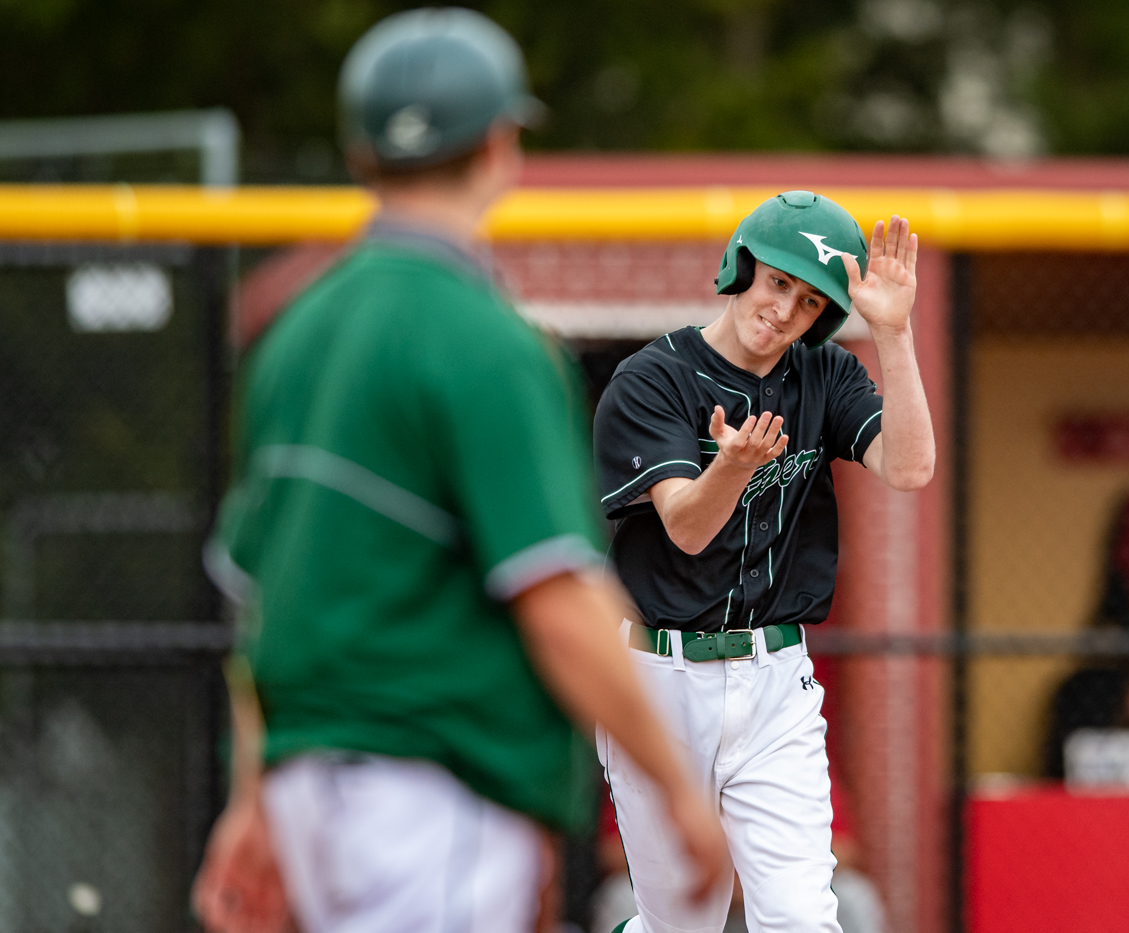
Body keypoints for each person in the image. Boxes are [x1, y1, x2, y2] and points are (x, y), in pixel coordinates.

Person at [191, 10, 726, 933]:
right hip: (431, 783)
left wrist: (256, 795)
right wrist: (677, 787)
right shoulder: (488, 340)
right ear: (498, 145)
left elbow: (258, 606)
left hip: (309, 785)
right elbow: (557, 598)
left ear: (361, 151)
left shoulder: (294, 334)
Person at [593, 191, 937, 933]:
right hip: (660, 677)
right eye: (777, 281)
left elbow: (910, 468)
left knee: (801, 919)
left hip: (775, 677)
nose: (785, 310)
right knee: (679, 920)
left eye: (811, 301)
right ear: (741, 266)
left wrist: (895, 333)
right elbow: (684, 528)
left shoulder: (825, 375)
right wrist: (734, 467)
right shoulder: (653, 377)